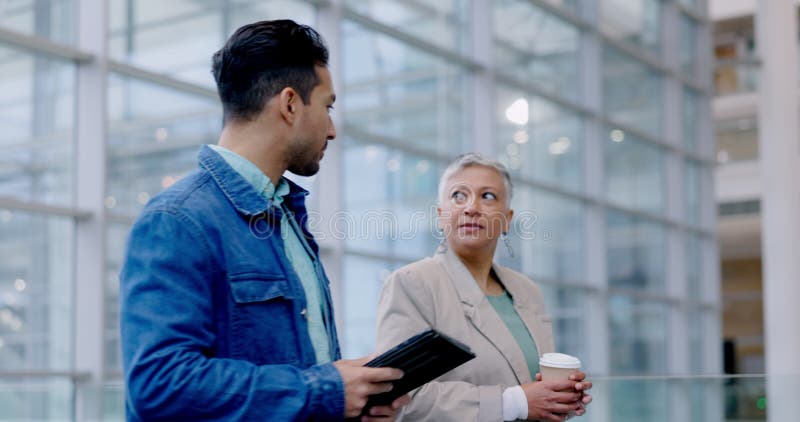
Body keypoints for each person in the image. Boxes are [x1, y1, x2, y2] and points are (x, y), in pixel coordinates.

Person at [120, 20, 408, 421]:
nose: (332, 129)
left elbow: (301, 378)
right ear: (290, 104)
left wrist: (350, 402)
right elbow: (160, 384)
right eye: (327, 107)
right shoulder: (176, 221)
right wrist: (326, 391)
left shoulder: (285, 216)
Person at [374, 153, 593, 421]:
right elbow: (400, 398)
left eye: (487, 196)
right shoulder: (412, 284)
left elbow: (534, 389)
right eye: (458, 195)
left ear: (507, 219)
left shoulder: (527, 290)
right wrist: (515, 402)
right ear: (441, 215)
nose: (471, 207)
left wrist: (561, 396)